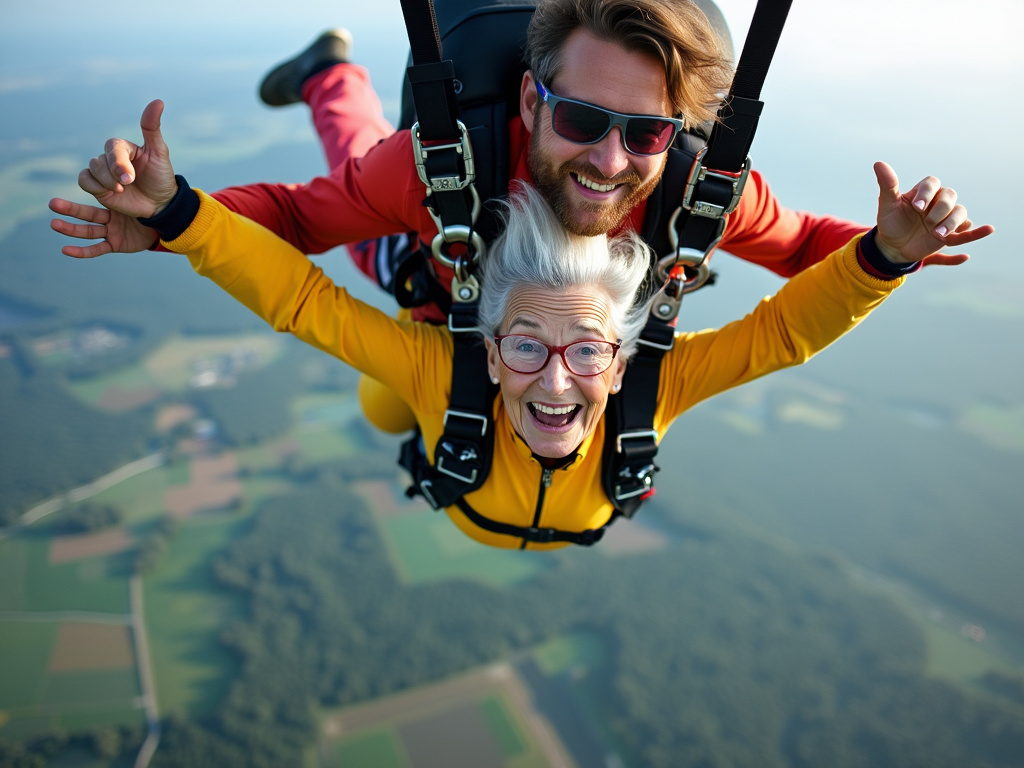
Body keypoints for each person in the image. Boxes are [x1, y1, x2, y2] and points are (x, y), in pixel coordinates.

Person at [49, 100, 992, 550]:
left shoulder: (639, 382)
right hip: (434, 308)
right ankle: (342, 91)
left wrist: (885, 254)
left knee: (392, 394)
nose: (553, 382)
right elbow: (295, 295)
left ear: (622, 358)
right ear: (490, 348)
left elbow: (789, 326)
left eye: (586, 351)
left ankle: (400, 246)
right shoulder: (436, 367)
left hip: (460, 383)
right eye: (530, 349)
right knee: (382, 369)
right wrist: (180, 218)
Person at [51, 0, 925, 435]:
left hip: (553, 350)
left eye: (648, 131)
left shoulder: (703, 190)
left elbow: (811, 250)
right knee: (388, 406)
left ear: (676, 131)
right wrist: (170, 217)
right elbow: (297, 218)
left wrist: (891, 249)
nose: (610, 162)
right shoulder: (443, 168)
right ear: (530, 100)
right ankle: (329, 75)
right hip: (436, 277)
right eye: (580, 118)